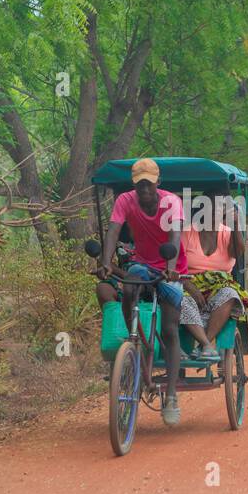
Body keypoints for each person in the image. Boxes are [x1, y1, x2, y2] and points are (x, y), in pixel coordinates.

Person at [97, 158, 186, 425]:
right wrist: (105, 263)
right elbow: (113, 231)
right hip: (143, 264)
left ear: (158, 182)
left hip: (171, 268)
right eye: (140, 185)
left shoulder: (171, 202)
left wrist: (170, 268)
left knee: (170, 329)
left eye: (149, 184)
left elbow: (175, 236)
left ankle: (170, 395)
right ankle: (134, 338)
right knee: (129, 286)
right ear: (134, 185)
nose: (144, 190)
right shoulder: (125, 200)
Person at [178, 197, 248, 359]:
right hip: (189, 283)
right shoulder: (187, 232)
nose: (214, 213)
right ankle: (206, 344)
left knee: (230, 294)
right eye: (210, 208)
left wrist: (235, 225)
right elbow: (177, 266)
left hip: (219, 286)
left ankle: (204, 345)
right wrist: (189, 286)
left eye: (219, 209)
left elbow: (238, 252)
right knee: (180, 299)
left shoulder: (227, 233)